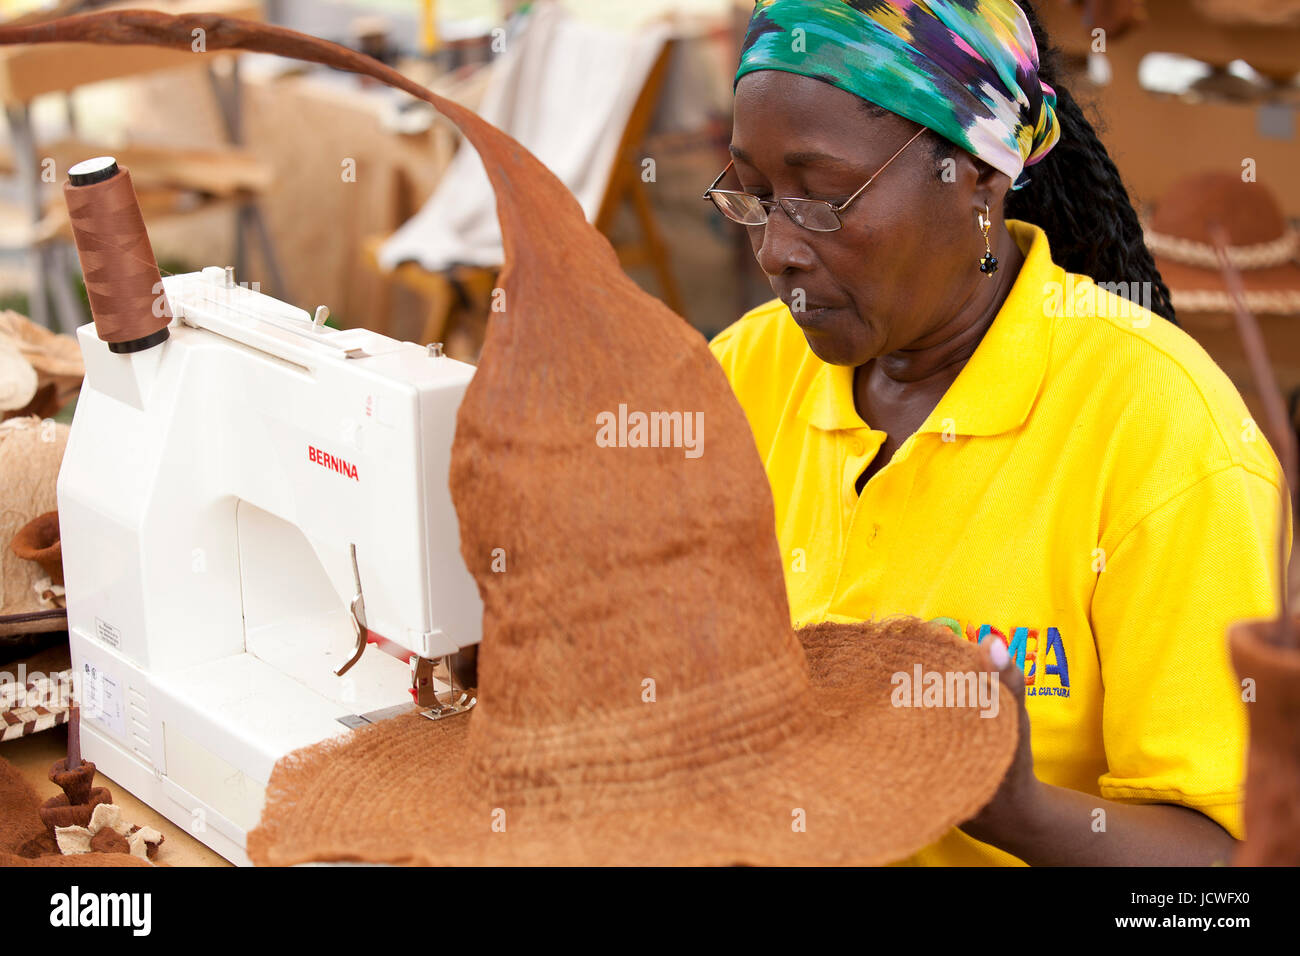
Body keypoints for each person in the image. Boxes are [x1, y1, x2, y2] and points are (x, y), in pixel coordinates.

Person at [707, 0, 1291, 865]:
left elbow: (1222, 886)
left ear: (978, 176)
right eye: (755, 198)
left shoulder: (1160, 430)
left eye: (825, 198)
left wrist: (1018, 812)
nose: (777, 251)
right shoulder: (743, 374)